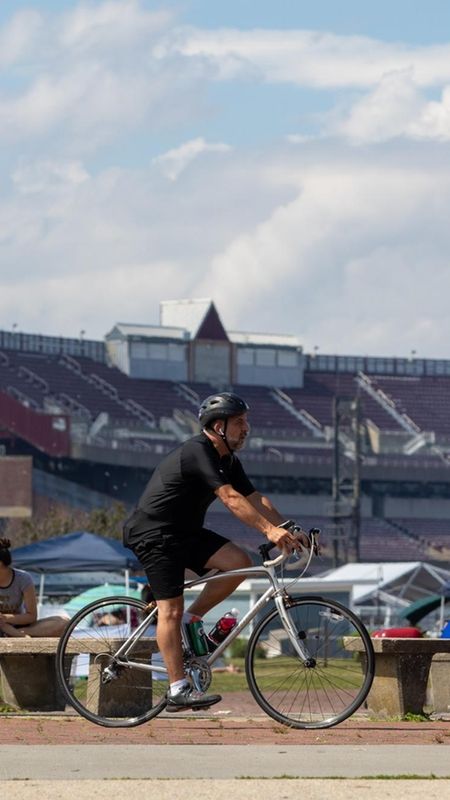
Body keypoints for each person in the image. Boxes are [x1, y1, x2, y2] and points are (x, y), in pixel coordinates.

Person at [123, 391, 312, 712]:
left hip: (184, 533)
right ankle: (178, 689)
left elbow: (253, 498)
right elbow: (230, 498)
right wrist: (268, 530)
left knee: (238, 562)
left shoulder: (228, 459)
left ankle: (190, 619)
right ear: (218, 425)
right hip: (153, 534)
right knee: (169, 609)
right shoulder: (199, 450)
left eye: (246, 422)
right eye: (240, 422)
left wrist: (290, 526)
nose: (246, 428)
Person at [0, 538, 68, 638]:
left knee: (64, 623)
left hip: (20, 626)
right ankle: (17, 636)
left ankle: (16, 635)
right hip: (3, 628)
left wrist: (6, 618)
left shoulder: (23, 578)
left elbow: (31, 616)